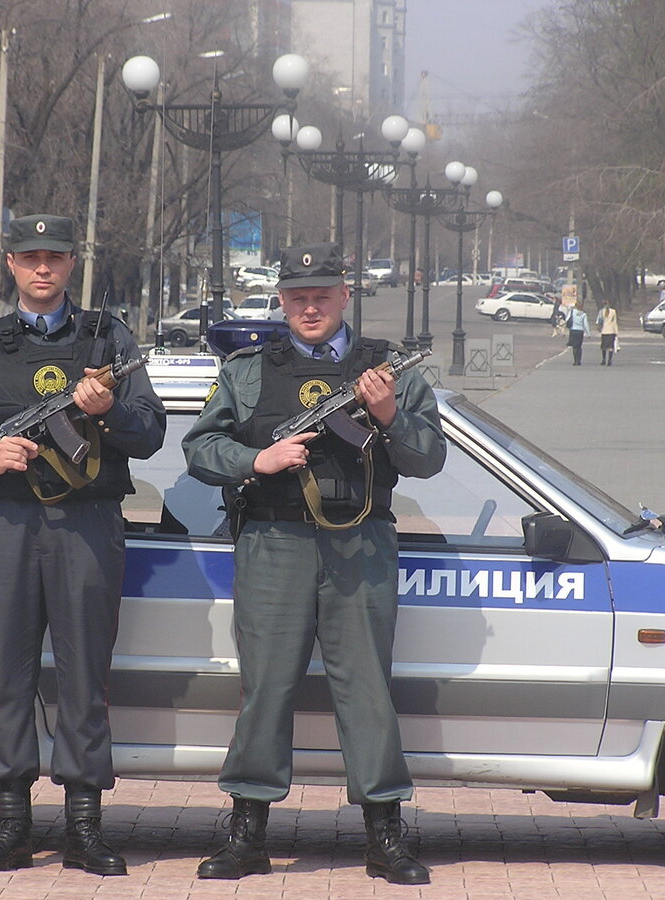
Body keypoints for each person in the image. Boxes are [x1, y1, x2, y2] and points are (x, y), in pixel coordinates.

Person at [182, 242, 446, 885]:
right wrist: (256, 462)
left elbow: (429, 456)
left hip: (361, 546)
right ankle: (247, 831)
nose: (309, 307)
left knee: (366, 688)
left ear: (345, 295)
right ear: (281, 300)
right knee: (267, 687)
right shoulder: (249, 372)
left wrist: (386, 414)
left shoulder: (389, 370)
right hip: (275, 544)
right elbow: (200, 447)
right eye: (297, 297)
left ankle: (384, 832)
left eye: (322, 295)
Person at [0, 214, 166, 875]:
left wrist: (106, 408)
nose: (42, 268)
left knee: (86, 675)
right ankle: (10, 826)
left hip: (85, 524)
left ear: (70, 263)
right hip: (5, 522)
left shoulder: (108, 338)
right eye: (29, 256)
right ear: (10, 264)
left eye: (53, 257)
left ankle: (84, 826)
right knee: (8, 675)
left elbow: (148, 434)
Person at [566, 300, 591, 365]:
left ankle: (575, 361)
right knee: (579, 346)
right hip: (580, 331)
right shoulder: (583, 314)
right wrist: (588, 333)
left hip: (573, 330)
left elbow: (567, 319)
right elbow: (586, 324)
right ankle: (579, 360)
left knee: (574, 346)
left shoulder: (572, 312)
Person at [596, 300, 619, 366]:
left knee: (604, 347)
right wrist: (616, 331)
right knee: (610, 347)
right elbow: (615, 322)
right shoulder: (613, 311)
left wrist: (598, 328)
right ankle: (610, 360)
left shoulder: (601, 312)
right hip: (611, 330)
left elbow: (598, 321)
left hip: (604, 331)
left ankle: (603, 359)